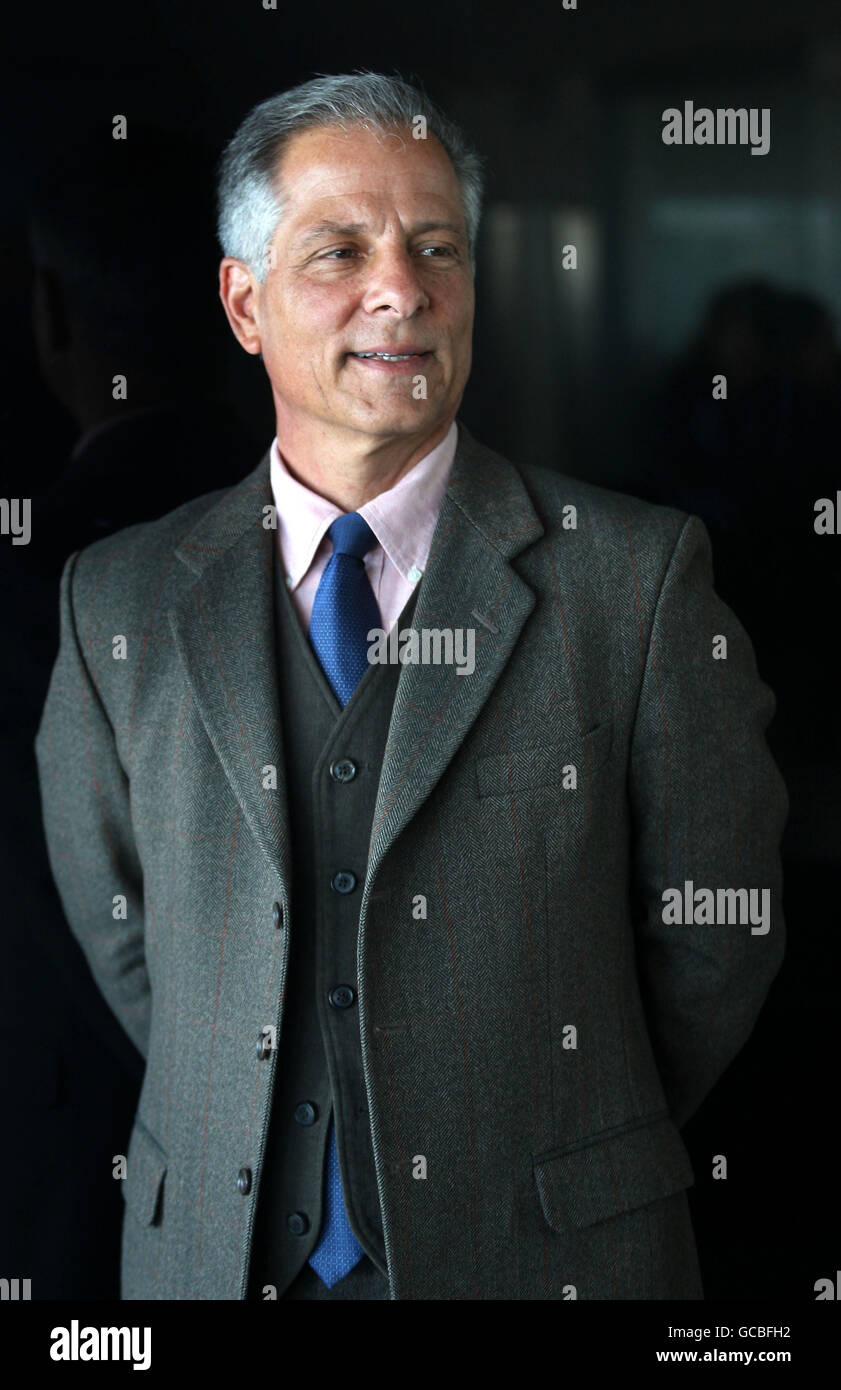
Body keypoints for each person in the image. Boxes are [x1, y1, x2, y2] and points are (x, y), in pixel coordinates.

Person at [35, 71, 787, 1301]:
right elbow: (127, 943)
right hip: (212, 1272)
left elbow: (714, 938)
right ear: (243, 302)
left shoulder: (638, 581)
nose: (402, 288)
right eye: (340, 249)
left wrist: (554, 1126)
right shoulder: (113, 603)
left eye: (436, 246)